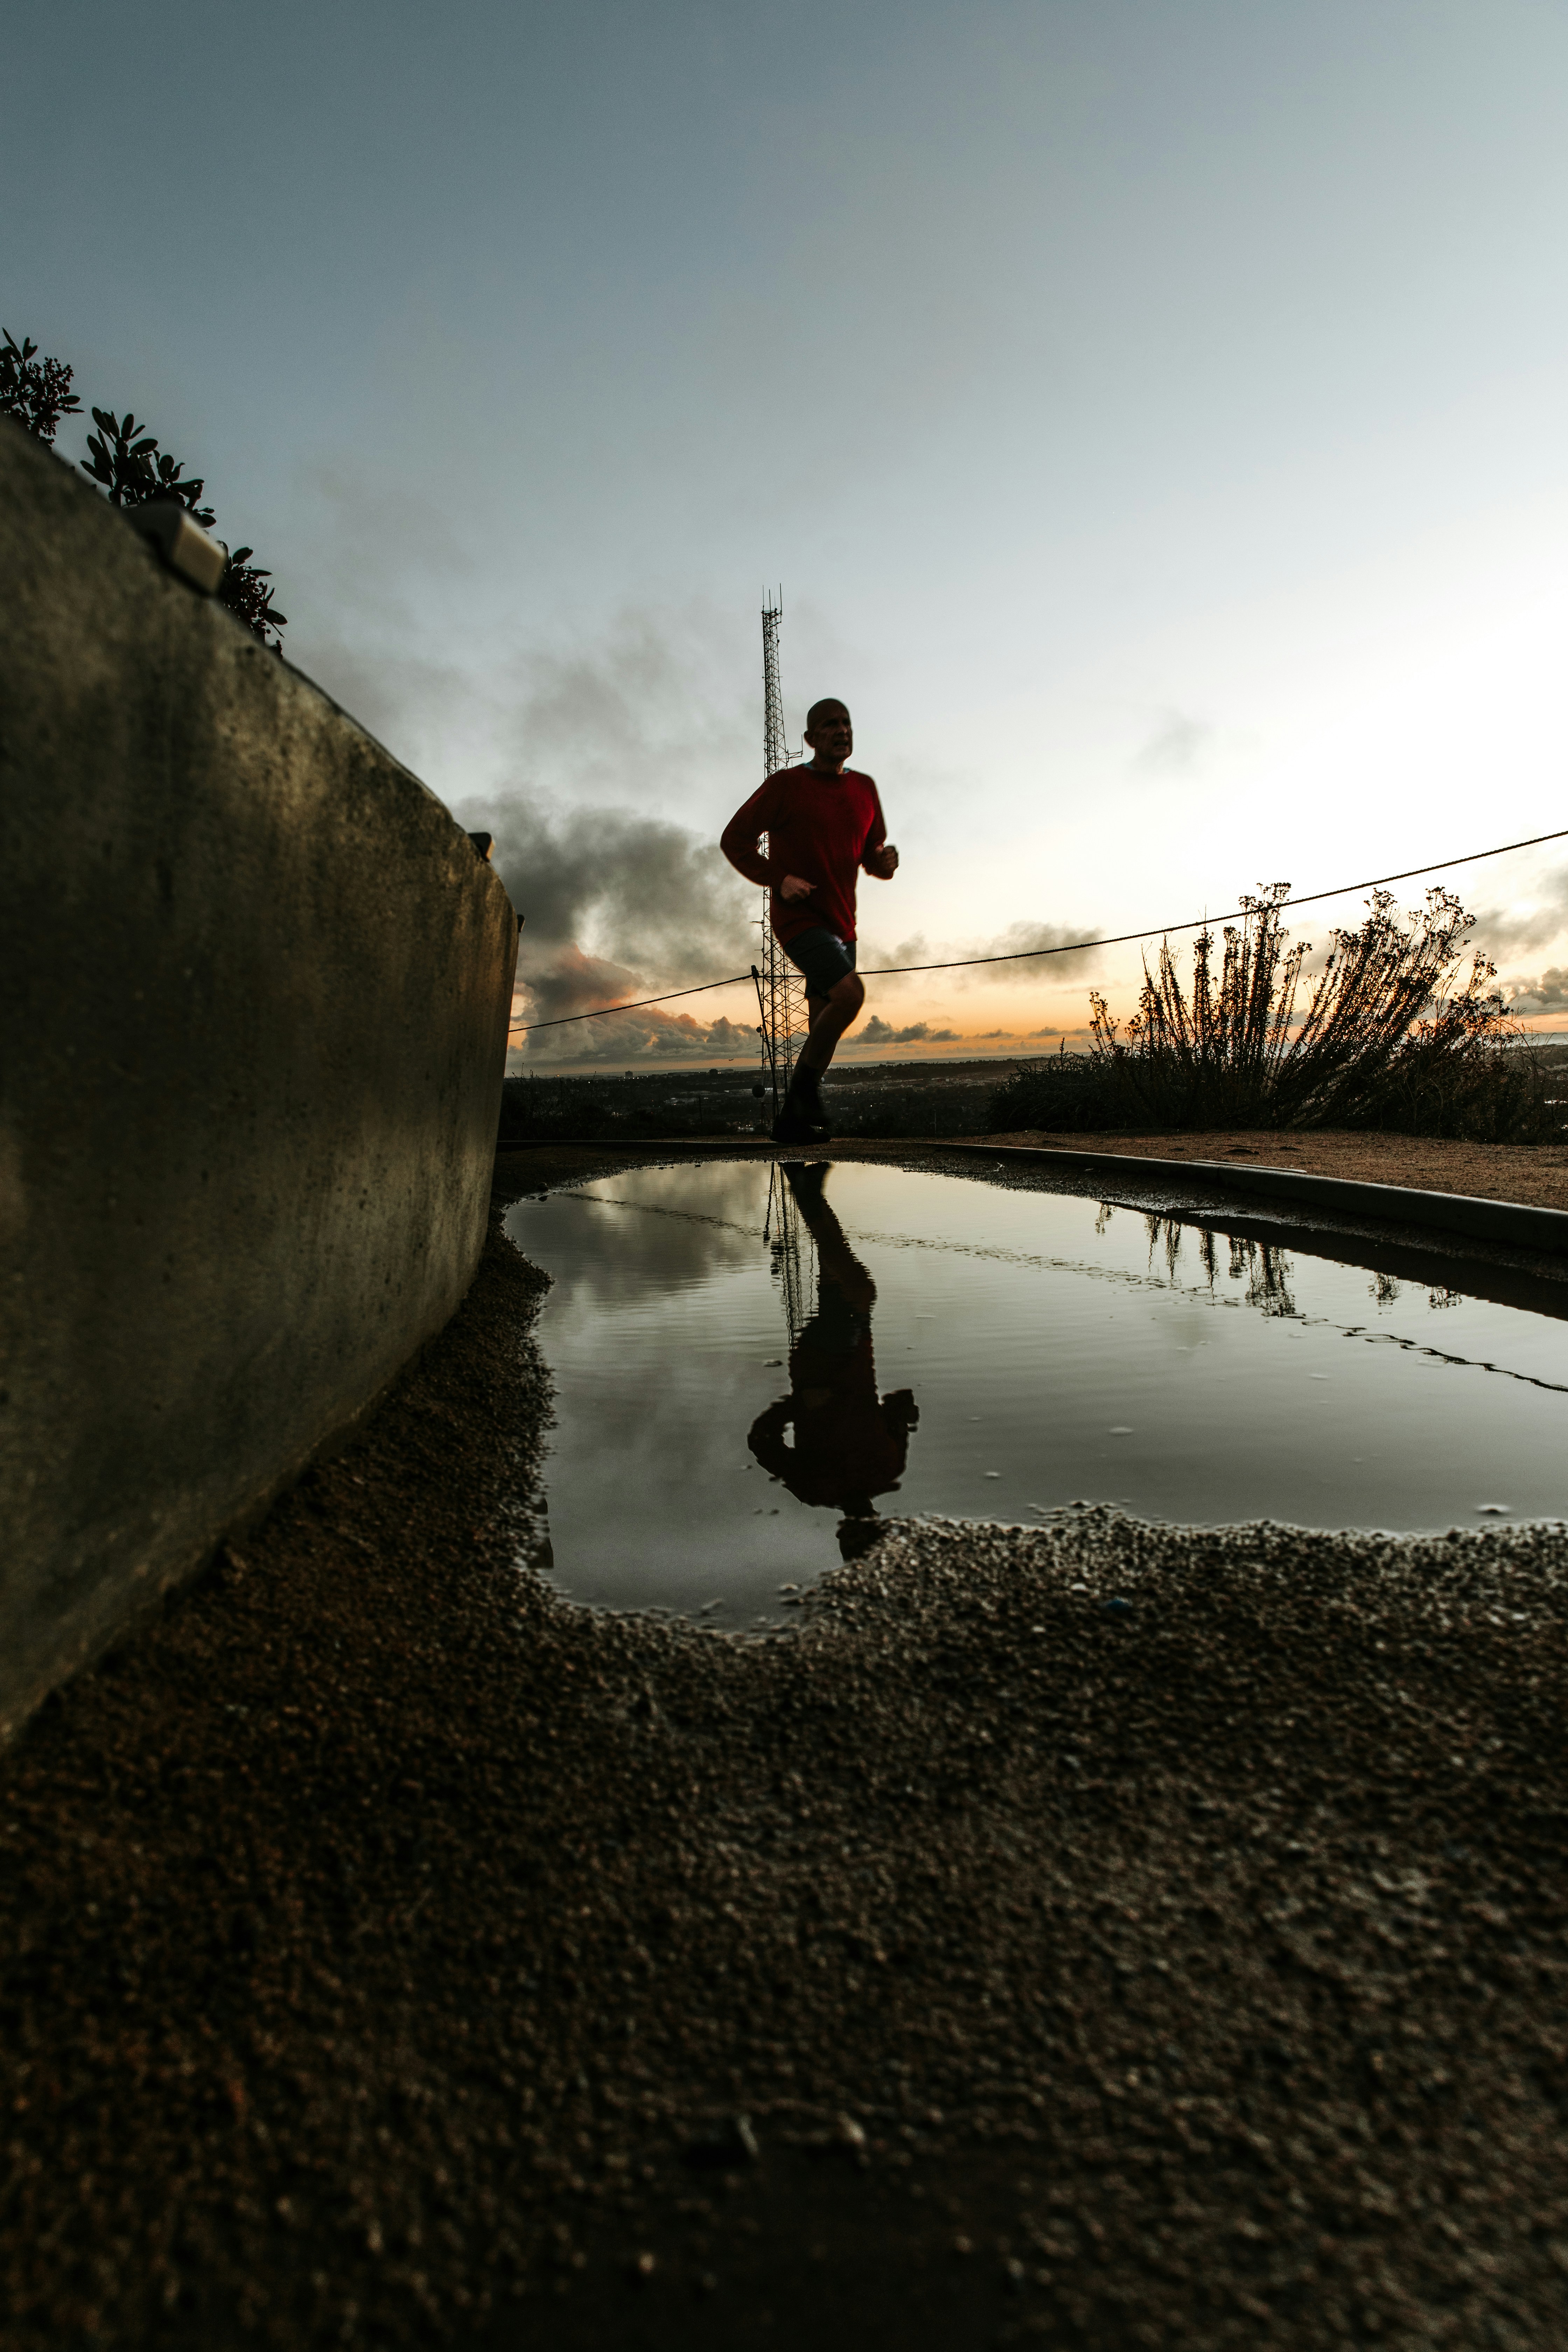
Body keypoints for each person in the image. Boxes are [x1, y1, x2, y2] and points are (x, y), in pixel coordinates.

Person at [720, 698, 899, 1142]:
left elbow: (870, 858)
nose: (841, 731)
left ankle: (792, 1123)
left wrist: (885, 863)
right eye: (829, 725)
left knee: (824, 1022)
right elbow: (735, 840)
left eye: (846, 723)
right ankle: (804, 1092)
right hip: (799, 919)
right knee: (849, 996)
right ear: (810, 739)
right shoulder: (787, 786)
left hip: (844, 924)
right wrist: (777, 879)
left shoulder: (865, 789)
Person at [746, 1162, 918, 1554]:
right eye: (870, 1531)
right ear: (879, 1524)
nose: (862, 1525)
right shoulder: (889, 1471)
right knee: (835, 1272)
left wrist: (796, 1405)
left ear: (841, 1533)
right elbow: (895, 1413)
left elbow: (761, 1441)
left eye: (853, 1534)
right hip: (857, 1358)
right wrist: (906, 1412)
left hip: (821, 1367)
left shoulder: (813, 1489)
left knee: (859, 1289)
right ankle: (805, 1188)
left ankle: (807, 1192)